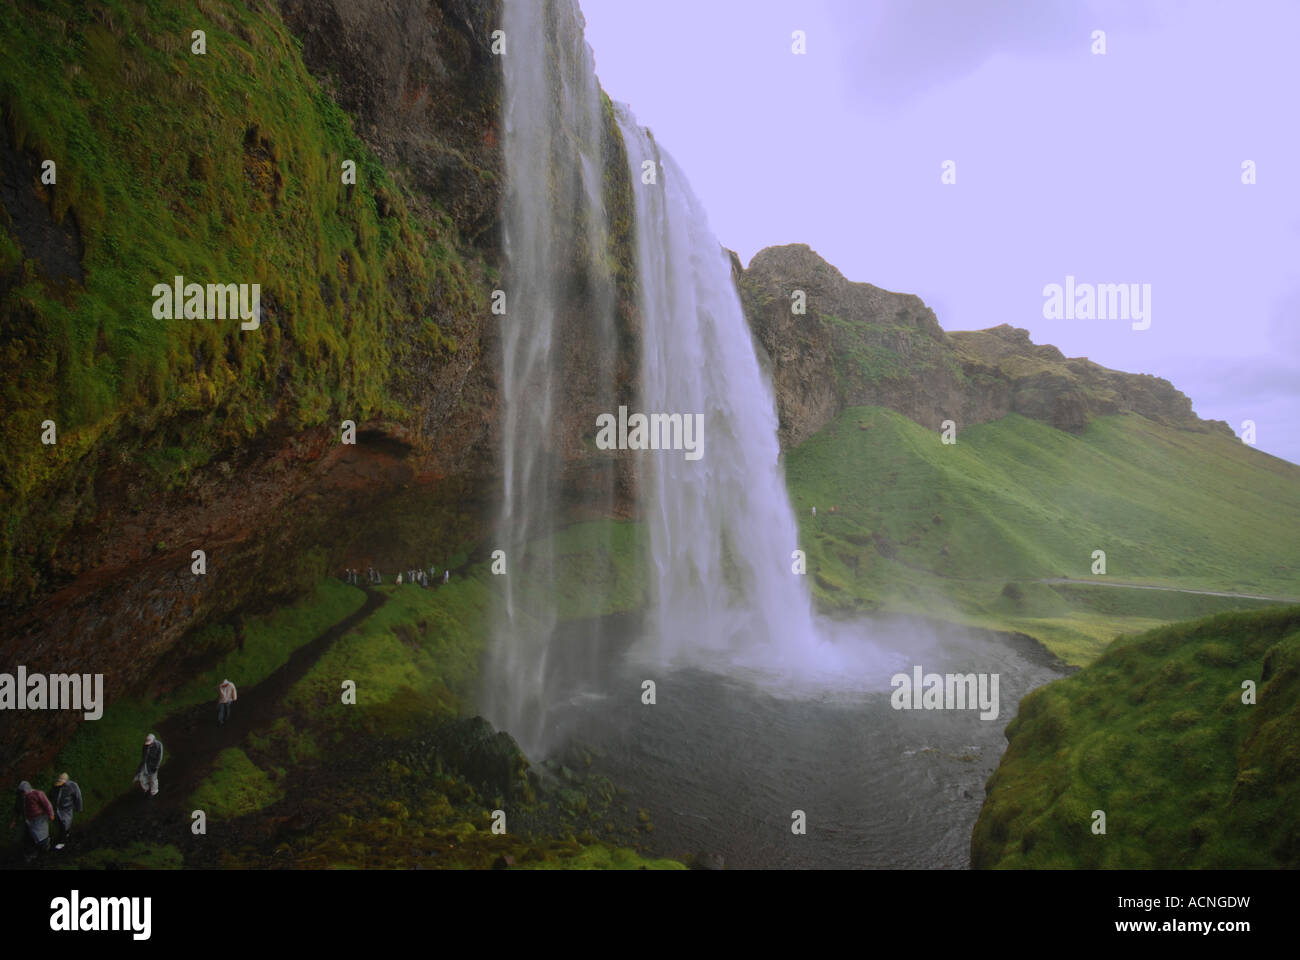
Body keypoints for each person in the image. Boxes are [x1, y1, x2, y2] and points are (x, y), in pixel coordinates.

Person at [11, 781, 54, 861]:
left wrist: (50, 814)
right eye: (20, 792)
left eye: (23, 792)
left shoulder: (37, 794)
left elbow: (47, 804)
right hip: (28, 820)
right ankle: (31, 853)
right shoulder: (20, 799)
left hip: (39, 819)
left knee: (41, 836)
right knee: (28, 837)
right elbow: (17, 809)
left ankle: (45, 846)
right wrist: (14, 821)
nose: (22, 794)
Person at [49, 773, 82, 850]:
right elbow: (51, 795)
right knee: (59, 823)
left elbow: (78, 797)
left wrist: (78, 807)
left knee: (64, 823)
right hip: (57, 808)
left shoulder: (73, 786)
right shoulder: (55, 787)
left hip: (67, 808)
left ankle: (62, 841)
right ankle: (65, 835)